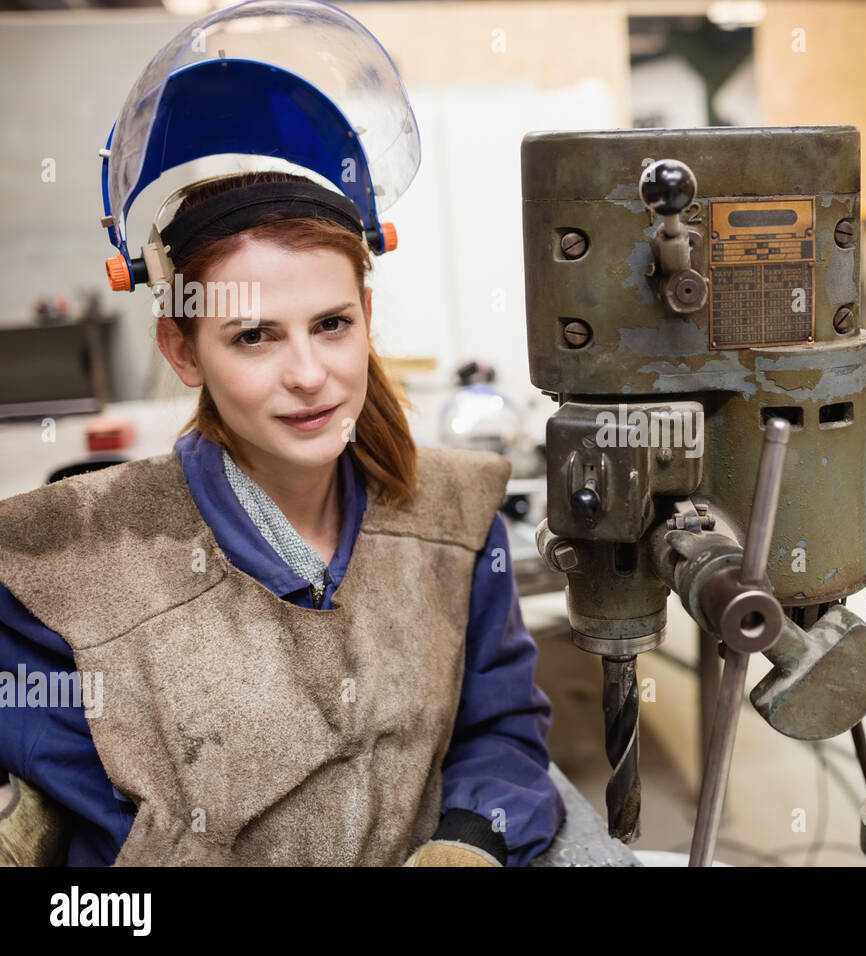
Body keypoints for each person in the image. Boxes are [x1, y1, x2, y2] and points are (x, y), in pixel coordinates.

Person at [0, 0, 563, 867]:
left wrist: (472, 842)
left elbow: (501, 731)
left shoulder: (458, 517)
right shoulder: (68, 563)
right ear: (182, 350)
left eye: (331, 324)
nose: (308, 373)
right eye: (253, 336)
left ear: (368, 315)